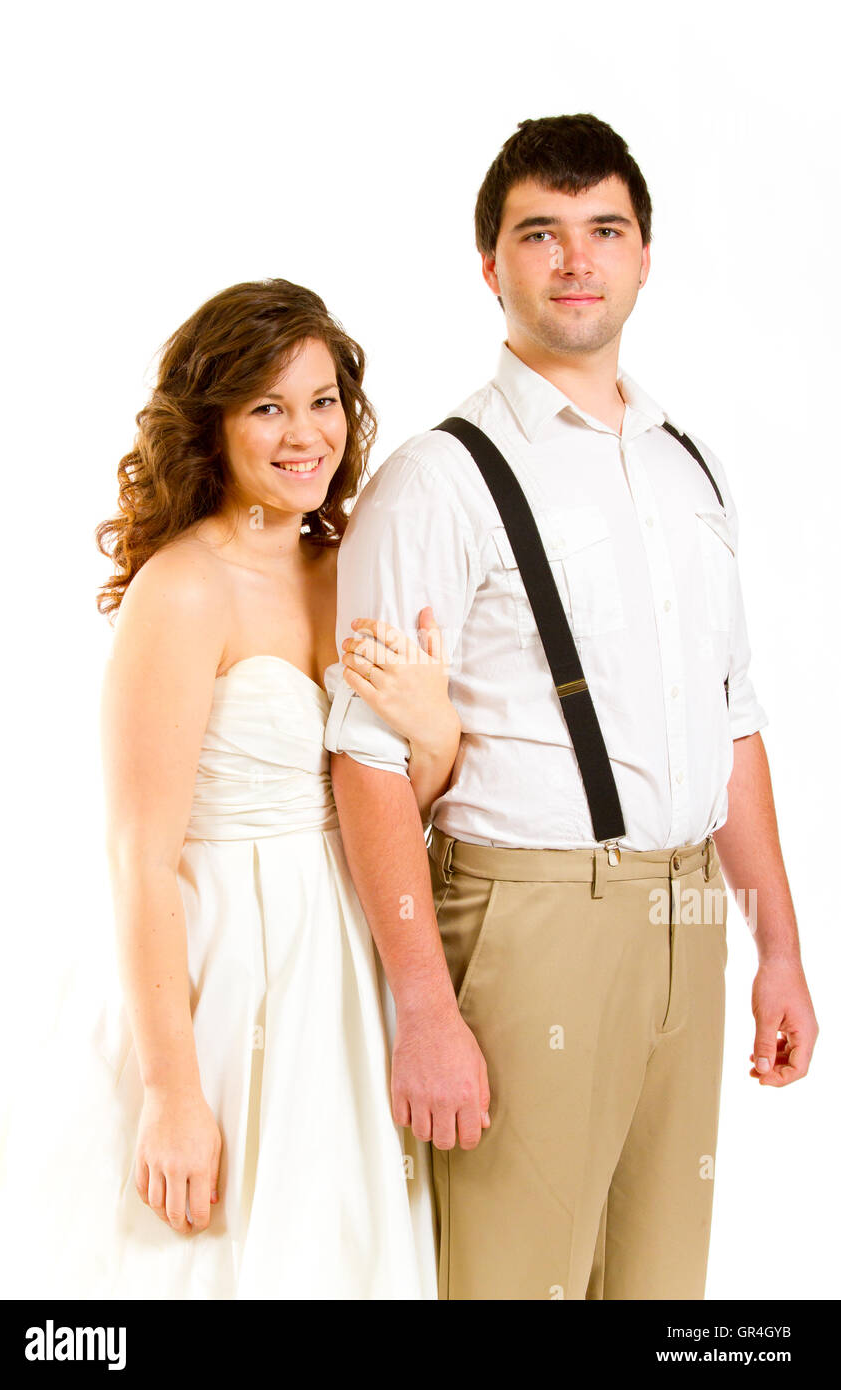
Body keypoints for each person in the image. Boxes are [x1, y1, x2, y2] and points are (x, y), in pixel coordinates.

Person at [323, 114, 819, 1300]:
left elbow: (733, 716)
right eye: (538, 233)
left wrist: (780, 947)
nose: (574, 258)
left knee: (660, 1294)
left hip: (687, 912)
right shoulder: (437, 478)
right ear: (491, 268)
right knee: (511, 1287)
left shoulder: (685, 463)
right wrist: (423, 1007)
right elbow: (365, 757)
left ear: (644, 256)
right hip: (523, 922)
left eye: (603, 229)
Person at [0, 279, 448, 1300]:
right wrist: (172, 1089)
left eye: (322, 400)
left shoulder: (351, 559)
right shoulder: (184, 587)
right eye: (266, 406)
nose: (303, 434)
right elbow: (137, 854)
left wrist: (433, 726)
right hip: (224, 964)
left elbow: (408, 791)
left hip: (349, 953)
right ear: (214, 423)